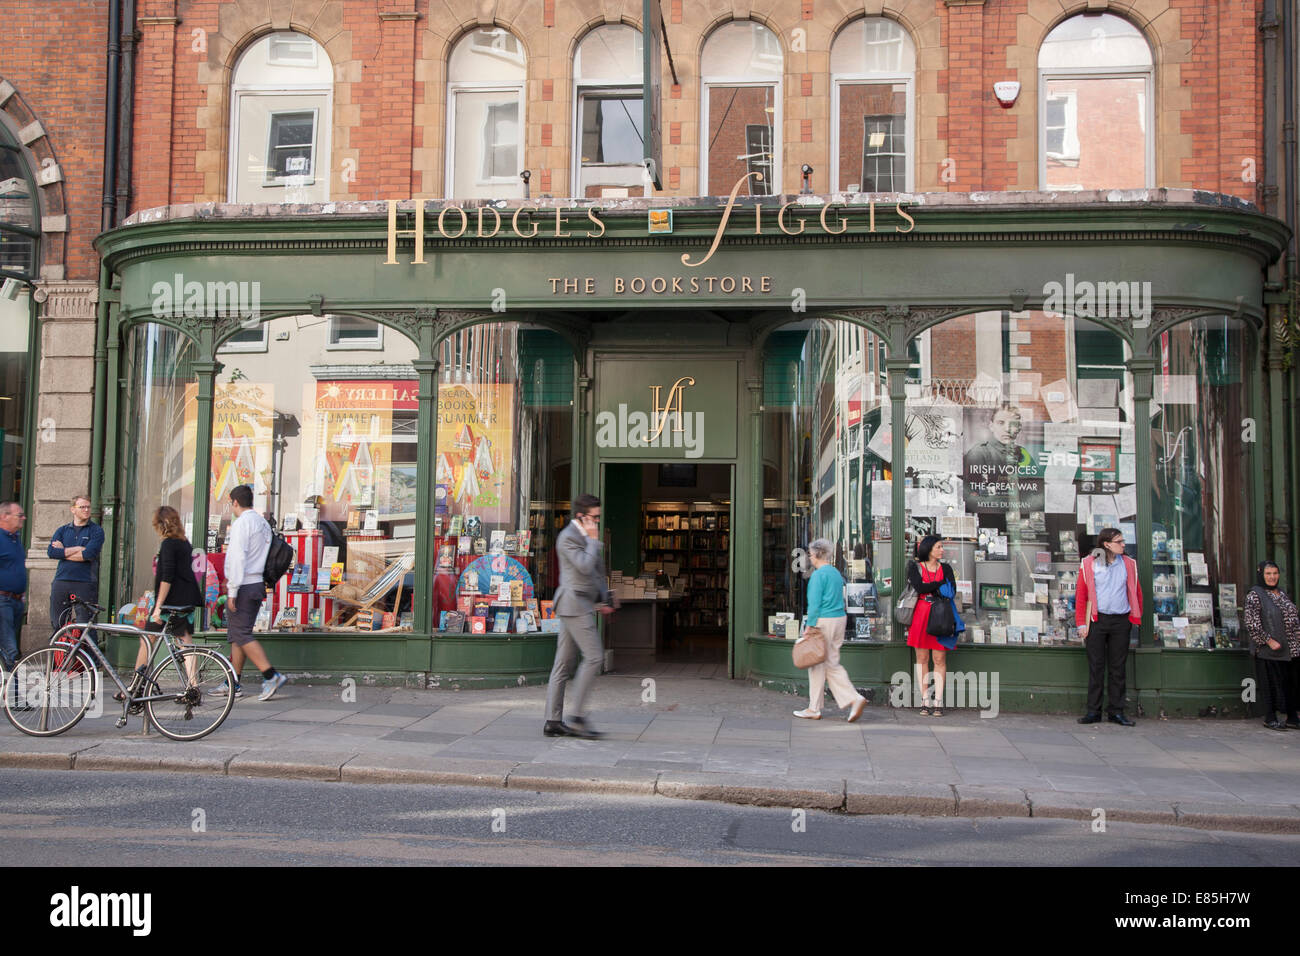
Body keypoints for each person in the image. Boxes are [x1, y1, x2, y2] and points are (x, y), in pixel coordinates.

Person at [544, 493, 619, 739]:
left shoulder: (586, 536)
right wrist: (594, 542)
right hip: (574, 604)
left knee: (563, 663)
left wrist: (605, 599)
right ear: (580, 516)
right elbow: (585, 566)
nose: (597, 521)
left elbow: (597, 571)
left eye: (598, 516)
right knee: (595, 657)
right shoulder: (568, 538)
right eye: (594, 517)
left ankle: (553, 721)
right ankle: (576, 717)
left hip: (581, 602)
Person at [215, 484, 287, 701]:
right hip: (257, 583)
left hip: (244, 585)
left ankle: (270, 675)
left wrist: (232, 590)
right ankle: (233, 682)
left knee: (241, 634)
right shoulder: (261, 522)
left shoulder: (241, 523)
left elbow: (237, 557)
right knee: (238, 634)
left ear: (234, 502)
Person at [793, 538, 867, 722]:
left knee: (822, 663)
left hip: (823, 621)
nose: (809, 557)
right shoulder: (835, 573)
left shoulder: (818, 575)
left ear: (817, 554)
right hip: (839, 618)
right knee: (825, 663)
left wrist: (808, 627)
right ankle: (814, 707)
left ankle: (853, 698)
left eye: (810, 553)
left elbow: (815, 604)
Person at [1075, 527, 1142, 726]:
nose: (1123, 545)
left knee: (1118, 668)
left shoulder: (1129, 564)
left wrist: (1135, 616)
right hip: (1097, 620)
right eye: (1119, 541)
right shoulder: (1090, 564)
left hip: (1121, 620)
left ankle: (1116, 711)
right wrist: (1081, 623)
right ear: (1106, 544)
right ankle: (1093, 711)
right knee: (1096, 667)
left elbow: (1136, 592)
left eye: (1123, 541)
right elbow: (1081, 595)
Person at [1243, 561, 1300, 731]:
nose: (1272, 577)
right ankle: (1270, 717)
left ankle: (1292, 717)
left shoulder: (1281, 593)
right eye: (1268, 574)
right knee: (1270, 684)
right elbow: (1252, 623)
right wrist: (1268, 641)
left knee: (1290, 683)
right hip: (1269, 649)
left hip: (1290, 647)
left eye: (1275, 573)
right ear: (1261, 574)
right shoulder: (1255, 594)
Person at [906, 534, 958, 716]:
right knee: (921, 659)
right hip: (921, 614)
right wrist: (939, 585)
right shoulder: (915, 567)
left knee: (939, 659)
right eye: (939, 547)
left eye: (942, 547)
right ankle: (924, 700)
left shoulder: (946, 568)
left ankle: (938, 701)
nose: (942, 550)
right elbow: (920, 587)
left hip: (941, 614)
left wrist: (933, 586)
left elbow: (952, 590)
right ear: (928, 549)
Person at [47, 495, 104, 631]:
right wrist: (78, 549)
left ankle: (87, 652)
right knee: (58, 624)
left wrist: (64, 552)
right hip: (61, 581)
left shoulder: (96, 531)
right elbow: (52, 553)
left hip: (84, 583)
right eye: (82, 507)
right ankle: (60, 652)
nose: (86, 510)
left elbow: (89, 554)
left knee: (85, 626)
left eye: (88, 507)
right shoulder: (62, 530)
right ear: (73, 509)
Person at [0, 501, 27, 672]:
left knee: (8, 644)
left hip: (16, 600)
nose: (24, 518)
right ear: (4, 516)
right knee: (10, 647)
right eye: (19, 515)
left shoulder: (16, 538)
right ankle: (13, 691)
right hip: (3, 600)